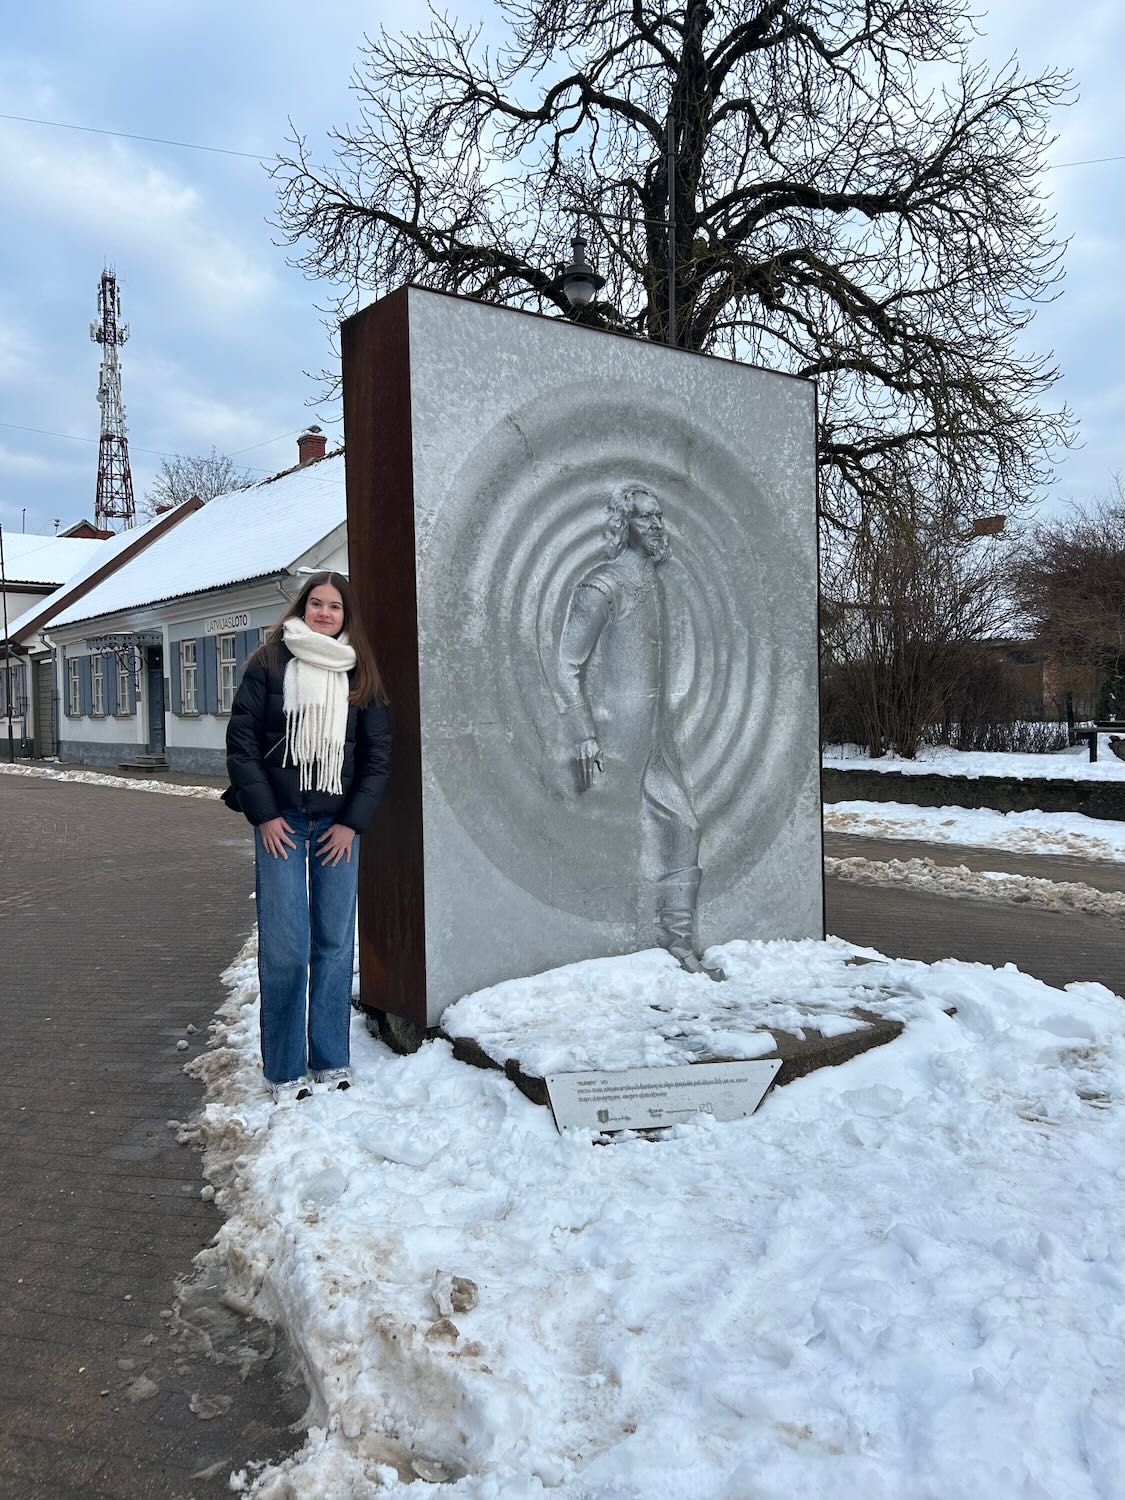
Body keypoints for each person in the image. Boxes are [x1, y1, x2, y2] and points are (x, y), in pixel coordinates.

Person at [225, 572, 391, 1102]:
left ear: (347, 617)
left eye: (334, 607)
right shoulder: (269, 663)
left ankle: (330, 1059)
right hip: (282, 822)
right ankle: (284, 1069)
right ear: (302, 607)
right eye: (315, 603)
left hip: (337, 826)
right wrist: (265, 815)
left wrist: (352, 823)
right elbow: (242, 744)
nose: (323, 613)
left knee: (335, 942)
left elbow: (376, 758)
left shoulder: (360, 674)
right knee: (286, 946)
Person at [555, 484, 706, 972]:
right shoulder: (603, 584)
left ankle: (677, 939)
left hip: (655, 736)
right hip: (614, 739)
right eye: (645, 518)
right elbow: (567, 663)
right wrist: (582, 733)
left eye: (659, 516)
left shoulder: (654, 583)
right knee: (603, 840)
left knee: (685, 824)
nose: (657, 525)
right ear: (625, 524)